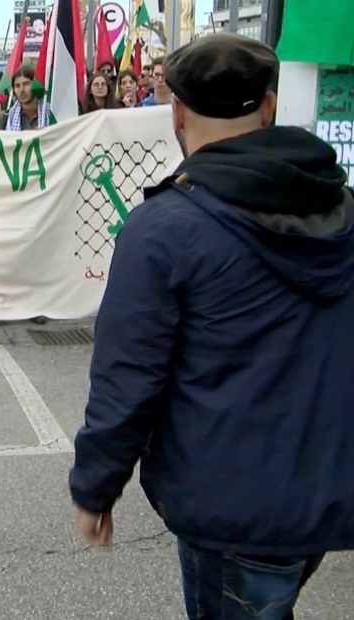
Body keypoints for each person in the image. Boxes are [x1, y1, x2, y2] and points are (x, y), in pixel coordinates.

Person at [70, 34, 354, 619]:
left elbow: (127, 377)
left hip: (234, 505)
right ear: (269, 106)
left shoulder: (163, 229)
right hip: (323, 493)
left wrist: (96, 485)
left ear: (176, 109)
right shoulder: (343, 209)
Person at [0, 66, 52, 130]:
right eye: (17, 86)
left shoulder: (51, 116)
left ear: (36, 85)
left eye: (26, 84)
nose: (21, 90)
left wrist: (49, 133)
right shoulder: (3, 119)